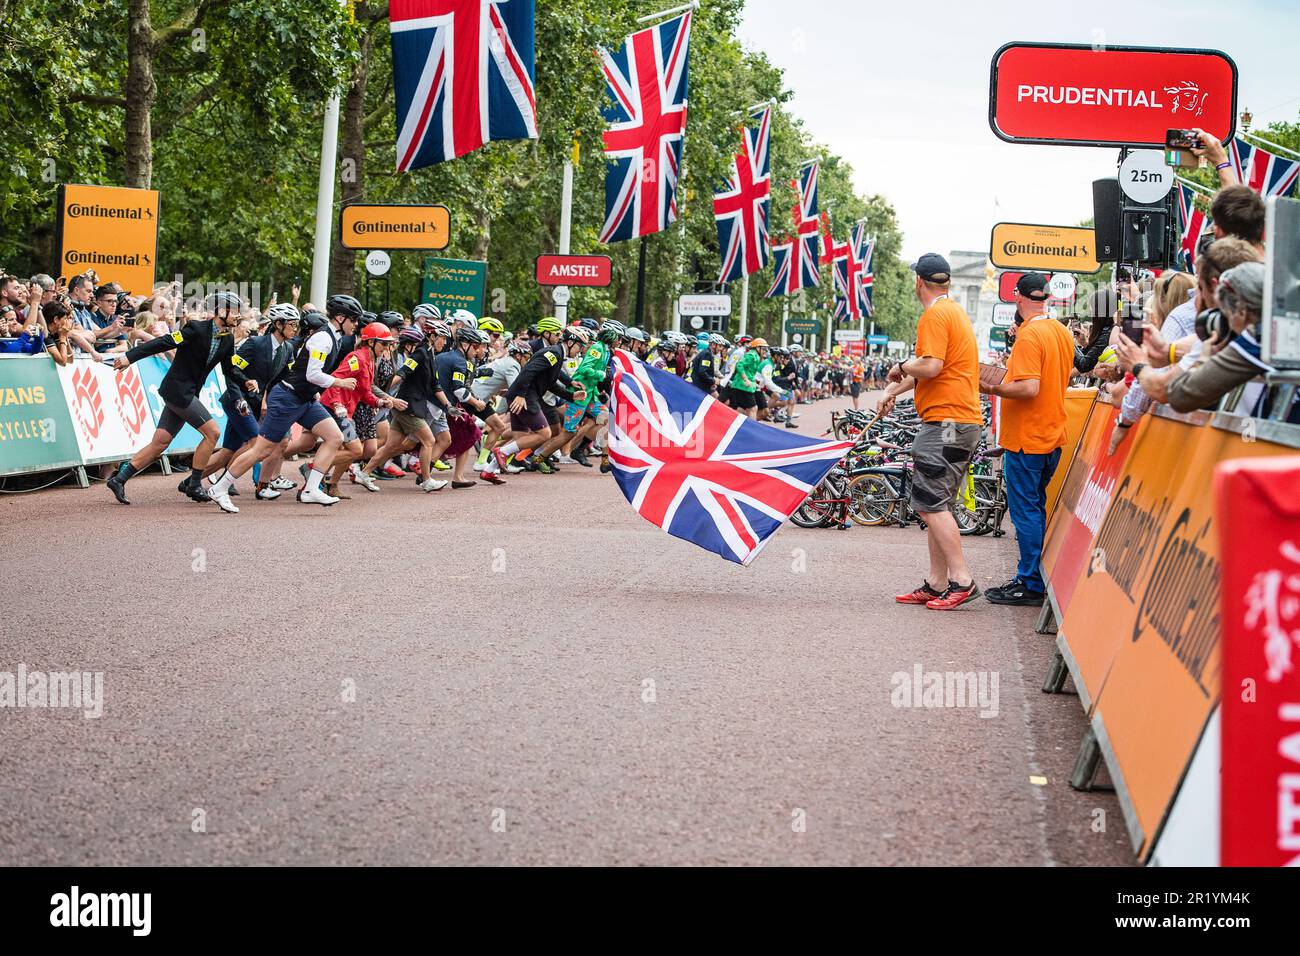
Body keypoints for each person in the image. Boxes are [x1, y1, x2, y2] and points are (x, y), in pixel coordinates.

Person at [877, 253, 982, 610]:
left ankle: (962, 580)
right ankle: (938, 582)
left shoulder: (934, 315)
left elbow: (931, 366)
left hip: (946, 423)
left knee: (930, 504)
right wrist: (892, 390)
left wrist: (899, 365)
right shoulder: (953, 312)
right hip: (959, 422)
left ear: (918, 281)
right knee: (938, 504)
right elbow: (931, 368)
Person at [206, 294, 364, 512]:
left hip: (304, 398)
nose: (356, 324)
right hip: (288, 398)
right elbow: (313, 374)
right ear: (339, 317)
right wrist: (340, 382)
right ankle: (220, 488)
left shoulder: (334, 337)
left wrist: (315, 393)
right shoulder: (323, 338)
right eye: (353, 319)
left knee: (335, 437)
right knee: (261, 450)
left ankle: (310, 490)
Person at [979, 274, 1076, 606]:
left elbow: (1028, 387)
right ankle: (1034, 574)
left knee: (1025, 513)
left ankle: (1030, 581)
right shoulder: (1060, 331)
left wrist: (990, 385)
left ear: (1018, 297)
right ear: (1046, 297)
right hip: (1052, 434)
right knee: (1035, 508)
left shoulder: (1030, 335)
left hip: (1027, 438)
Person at [106, 291, 250, 505]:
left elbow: (229, 369)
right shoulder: (195, 329)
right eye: (235, 312)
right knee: (213, 433)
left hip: (188, 392)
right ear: (221, 310)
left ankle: (118, 479)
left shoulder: (227, 338)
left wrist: (246, 380)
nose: (238, 317)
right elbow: (163, 343)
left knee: (160, 442)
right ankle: (193, 484)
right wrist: (129, 357)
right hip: (177, 391)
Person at [482, 324, 590, 479]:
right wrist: (521, 394)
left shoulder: (558, 354)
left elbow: (550, 383)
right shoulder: (554, 353)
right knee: (545, 433)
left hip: (523, 394)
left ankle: (489, 471)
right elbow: (529, 370)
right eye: (580, 345)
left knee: (521, 438)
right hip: (525, 395)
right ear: (570, 342)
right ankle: (501, 451)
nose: (580, 350)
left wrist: (570, 396)